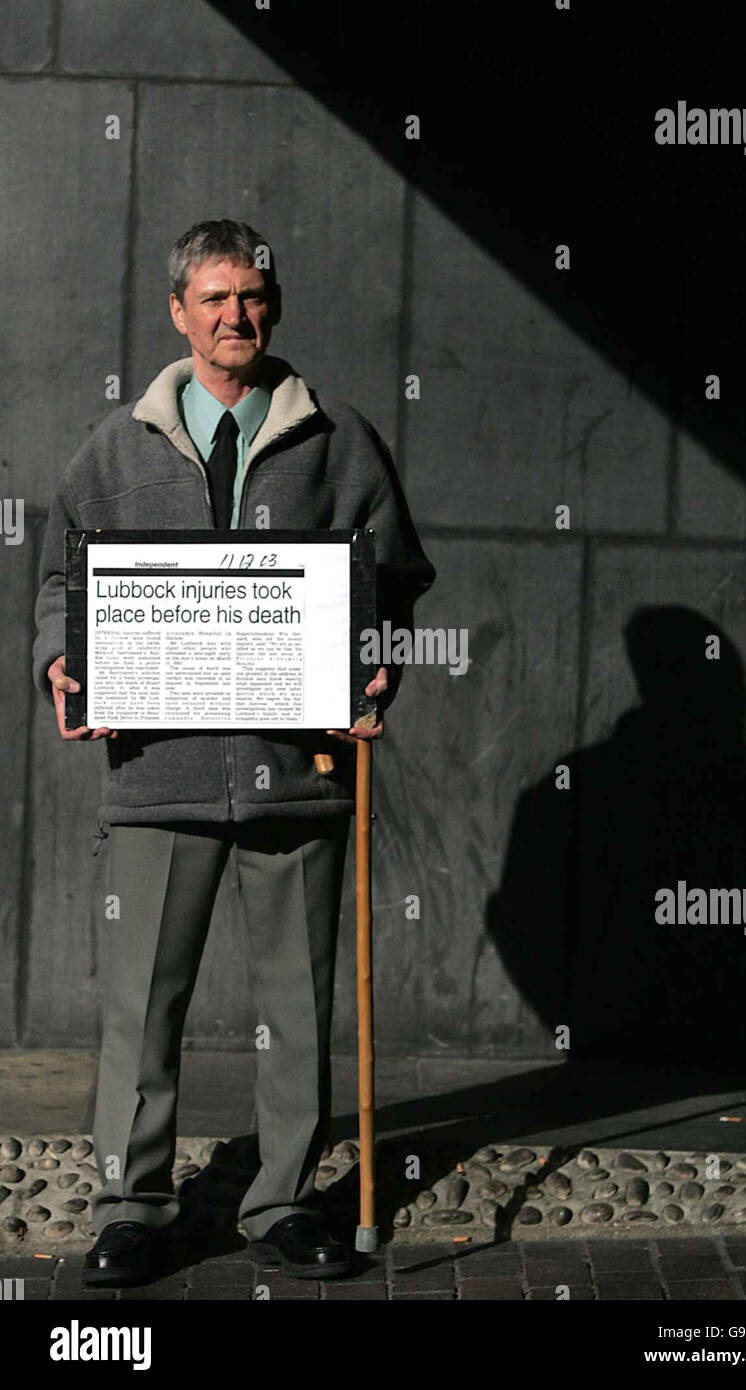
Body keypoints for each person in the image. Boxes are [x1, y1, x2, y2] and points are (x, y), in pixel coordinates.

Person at [31, 219, 436, 1286]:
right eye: (213, 299)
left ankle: (285, 1201)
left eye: (251, 296)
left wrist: (378, 662)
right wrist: (62, 664)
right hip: (157, 773)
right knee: (140, 1004)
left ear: (275, 306)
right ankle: (130, 1206)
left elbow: (392, 581)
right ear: (178, 312)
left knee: (296, 1002)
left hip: (297, 770)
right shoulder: (116, 447)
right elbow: (61, 587)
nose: (234, 316)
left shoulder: (338, 440)